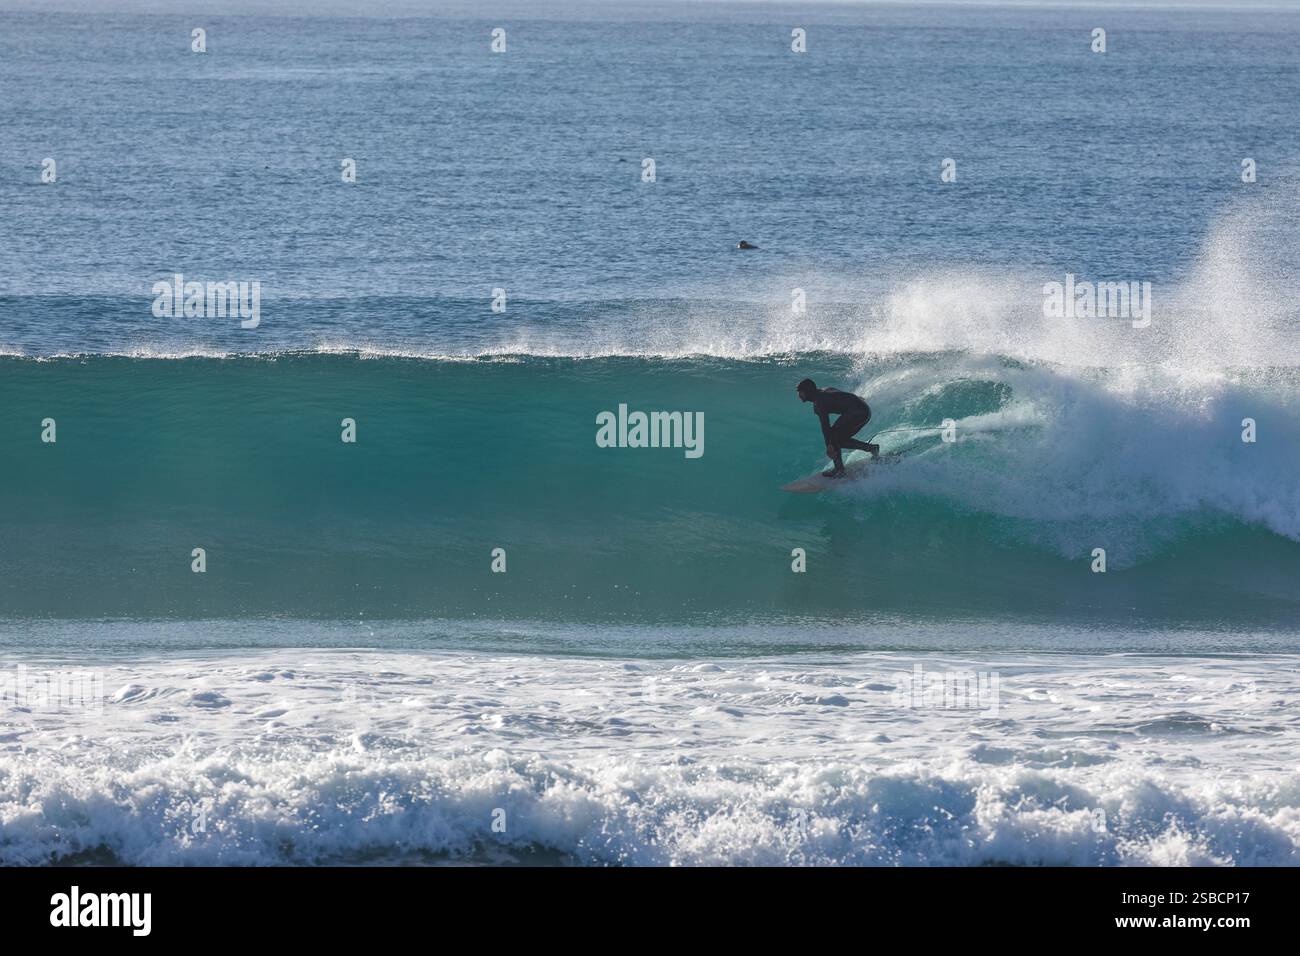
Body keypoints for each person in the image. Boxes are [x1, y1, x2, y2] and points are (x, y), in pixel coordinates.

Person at [796, 378, 879, 477]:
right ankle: (872, 448)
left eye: (801, 392)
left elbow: (825, 425)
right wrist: (857, 398)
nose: (799, 396)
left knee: (833, 437)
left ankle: (839, 470)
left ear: (808, 392)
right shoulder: (824, 391)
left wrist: (829, 445)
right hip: (863, 409)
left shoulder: (819, 403)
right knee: (839, 440)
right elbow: (840, 394)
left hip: (859, 413)